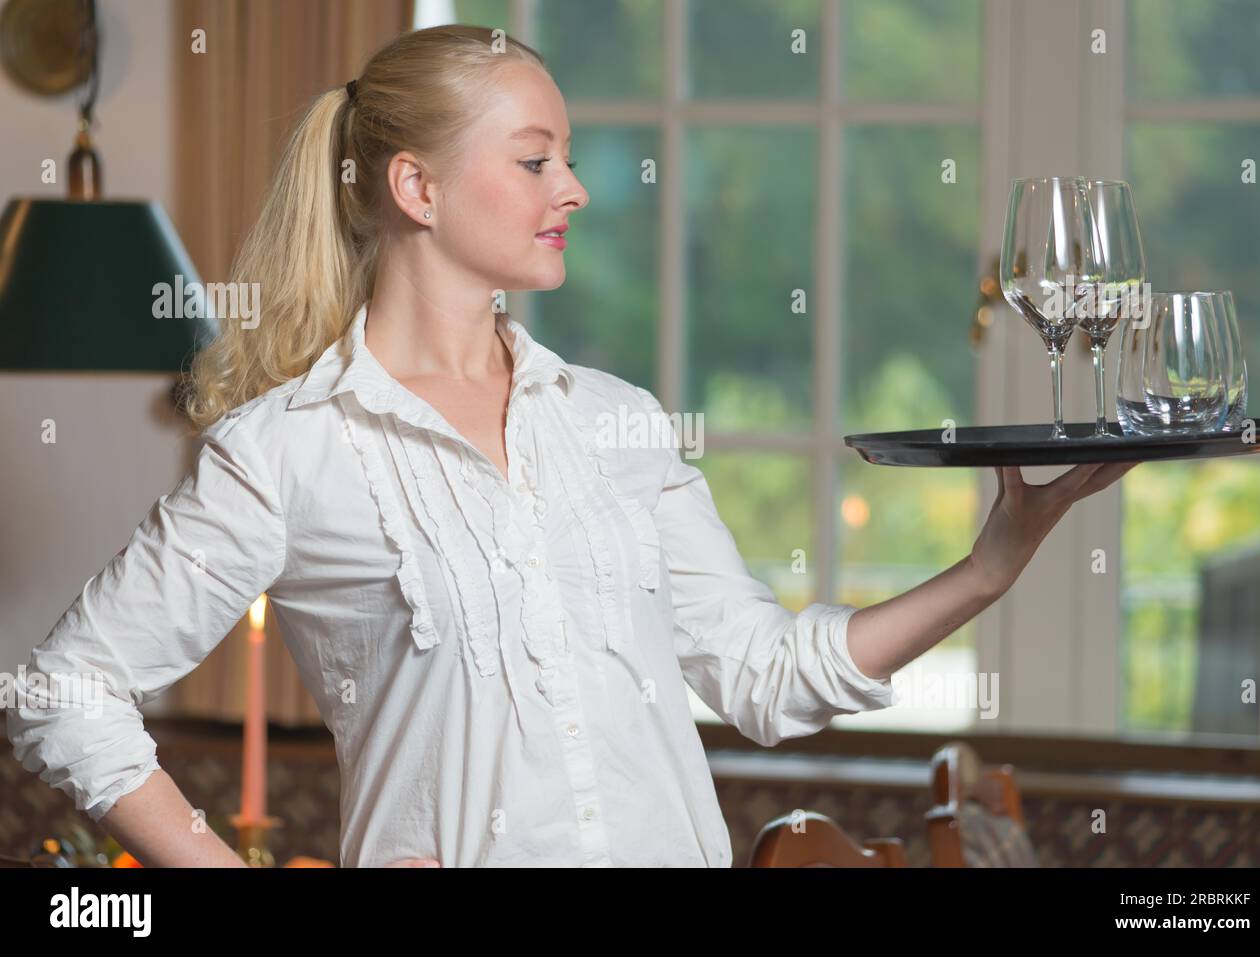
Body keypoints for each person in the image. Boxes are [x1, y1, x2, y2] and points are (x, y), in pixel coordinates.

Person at [4, 25, 1138, 868]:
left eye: (569, 159)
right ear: (417, 186)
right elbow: (61, 689)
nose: (577, 190)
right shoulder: (289, 448)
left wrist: (994, 565)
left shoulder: (616, 419)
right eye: (537, 161)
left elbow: (765, 678)